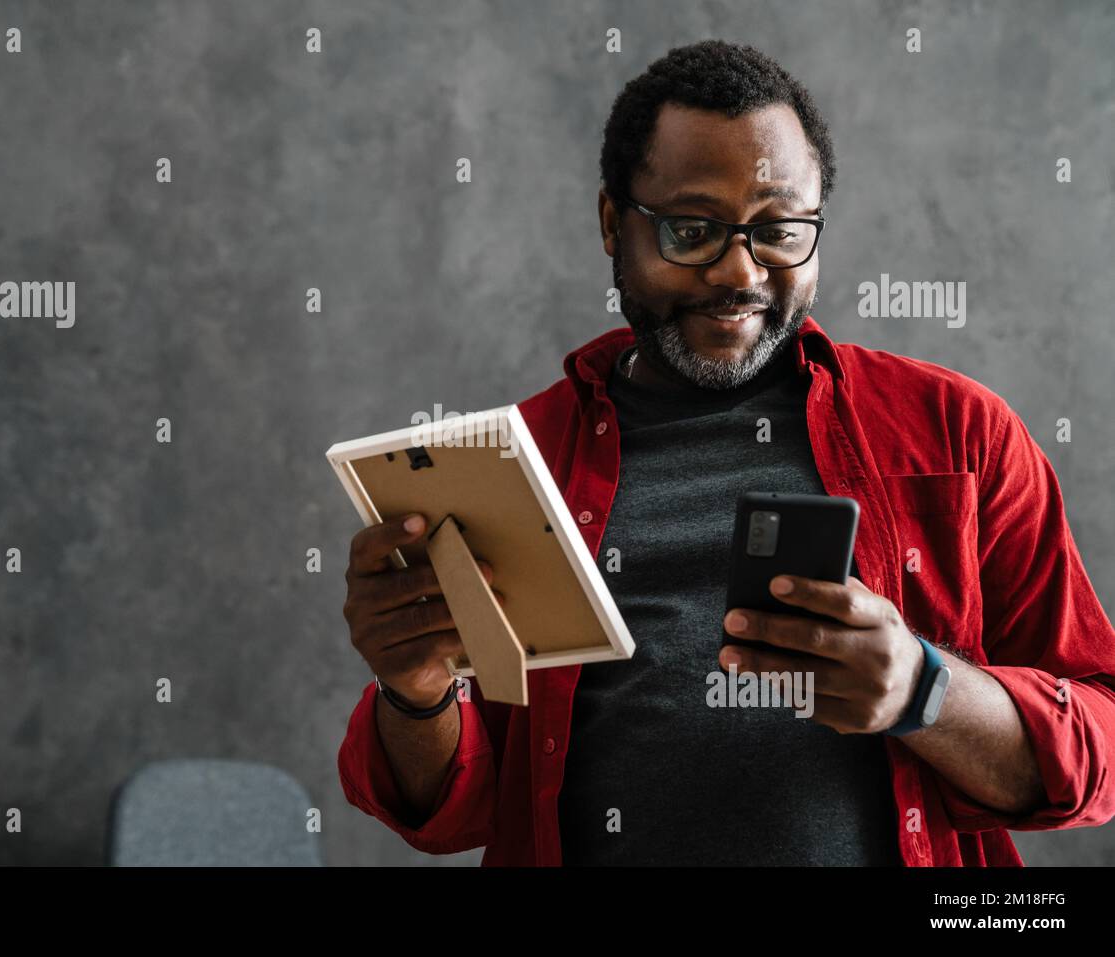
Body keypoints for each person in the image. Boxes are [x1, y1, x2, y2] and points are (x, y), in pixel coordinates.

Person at [337, 40, 1115, 865]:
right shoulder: (516, 464)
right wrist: (414, 692)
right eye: (692, 230)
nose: (738, 271)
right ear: (613, 224)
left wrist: (923, 689)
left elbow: (1099, 745)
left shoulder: (958, 432)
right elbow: (447, 813)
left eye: (778, 230)